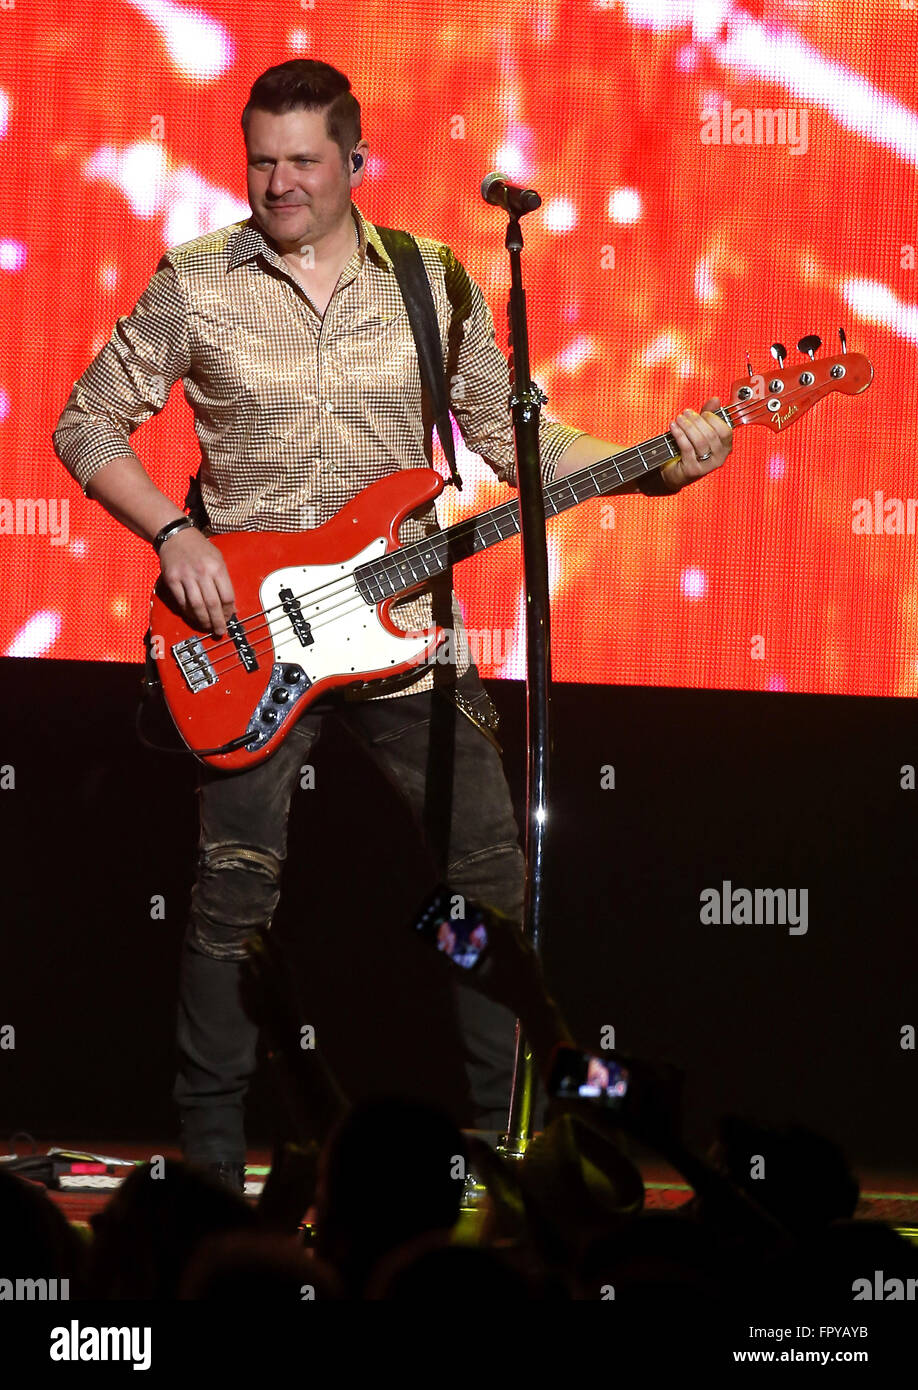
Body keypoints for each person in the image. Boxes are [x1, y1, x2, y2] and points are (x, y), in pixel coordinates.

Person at [52, 59, 733, 1191]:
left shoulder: (433, 279)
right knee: (233, 891)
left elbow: (525, 444)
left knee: (483, 887)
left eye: (304, 162)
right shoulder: (198, 280)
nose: (279, 184)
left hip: (405, 631)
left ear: (355, 163)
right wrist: (175, 533)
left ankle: (503, 1147)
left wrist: (655, 466)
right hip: (247, 645)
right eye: (261, 159)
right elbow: (85, 424)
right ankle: (214, 1169)